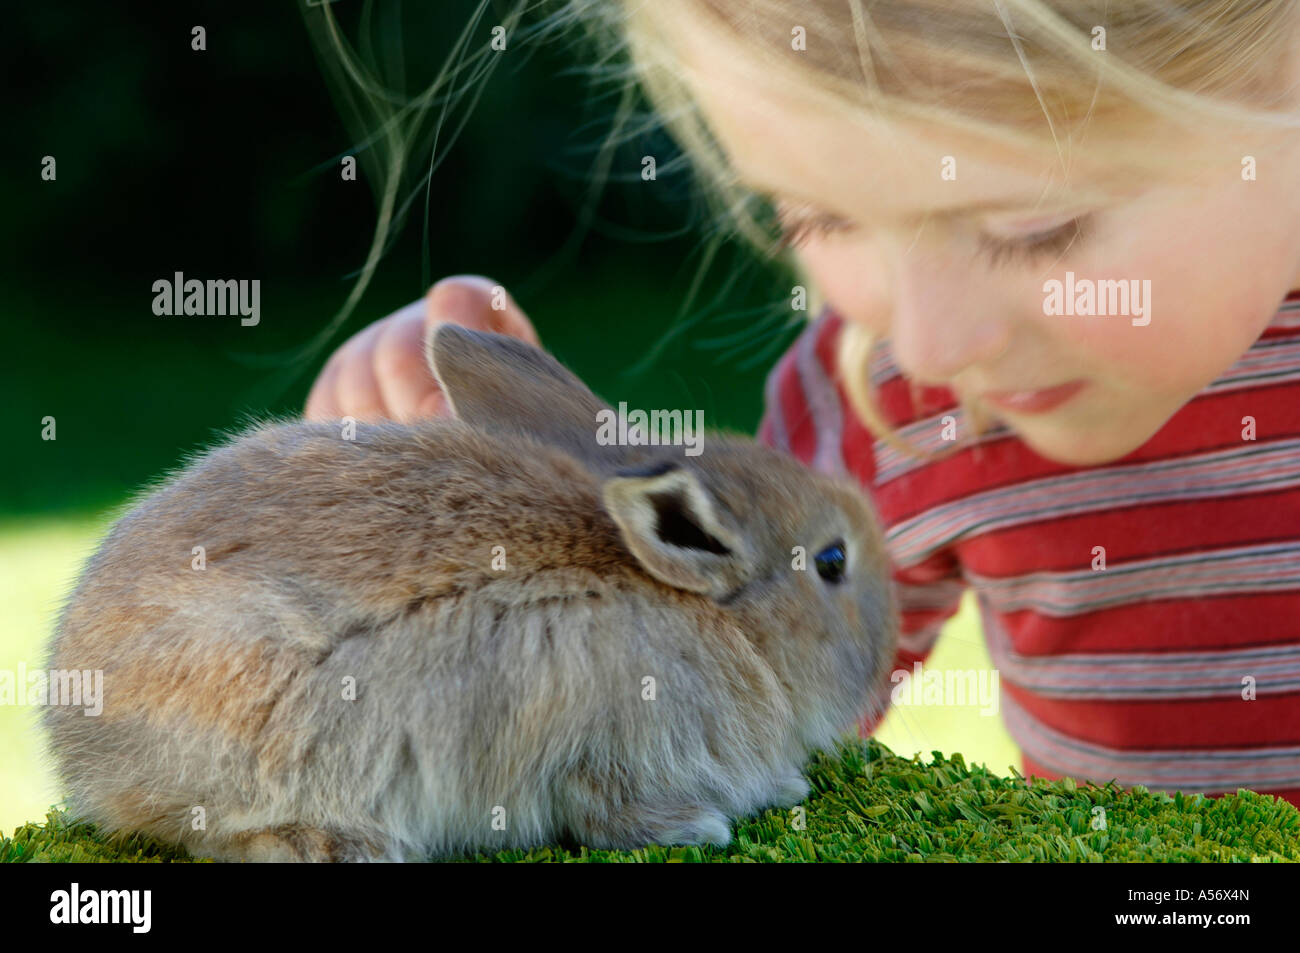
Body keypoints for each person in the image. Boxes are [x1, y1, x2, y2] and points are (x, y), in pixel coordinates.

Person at [304, 1, 1300, 808]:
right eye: (819, 215)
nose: (929, 344)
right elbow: (759, 707)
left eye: (1036, 226)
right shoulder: (875, 404)